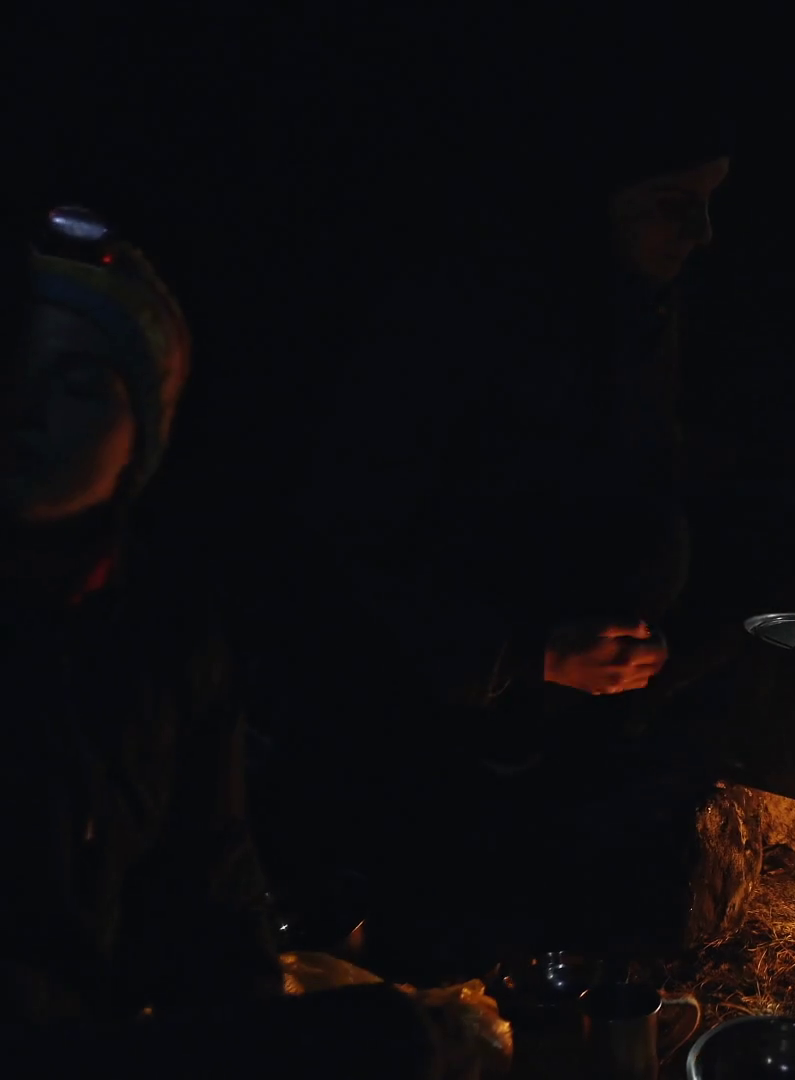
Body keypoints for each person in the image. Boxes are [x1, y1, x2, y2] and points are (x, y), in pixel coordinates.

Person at [253, 57, 795, 980]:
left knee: (784, 539)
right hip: (456, 689)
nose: (704, 233)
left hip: (582, 655)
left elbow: (635, 461)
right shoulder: (452, 320)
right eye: (674, 203)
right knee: (455, 937)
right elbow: (345, 560)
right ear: (593, 199)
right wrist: (529, 659)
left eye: (712, 200)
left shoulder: (635, 301)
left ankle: (623, 799)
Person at [0, 205, 468, 1078]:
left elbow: (207, 888)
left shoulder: (161, 628)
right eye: (12, 370)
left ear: (144, 431)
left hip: (84, 1033)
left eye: (77, 383)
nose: (29, 408)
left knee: (388, 1039)